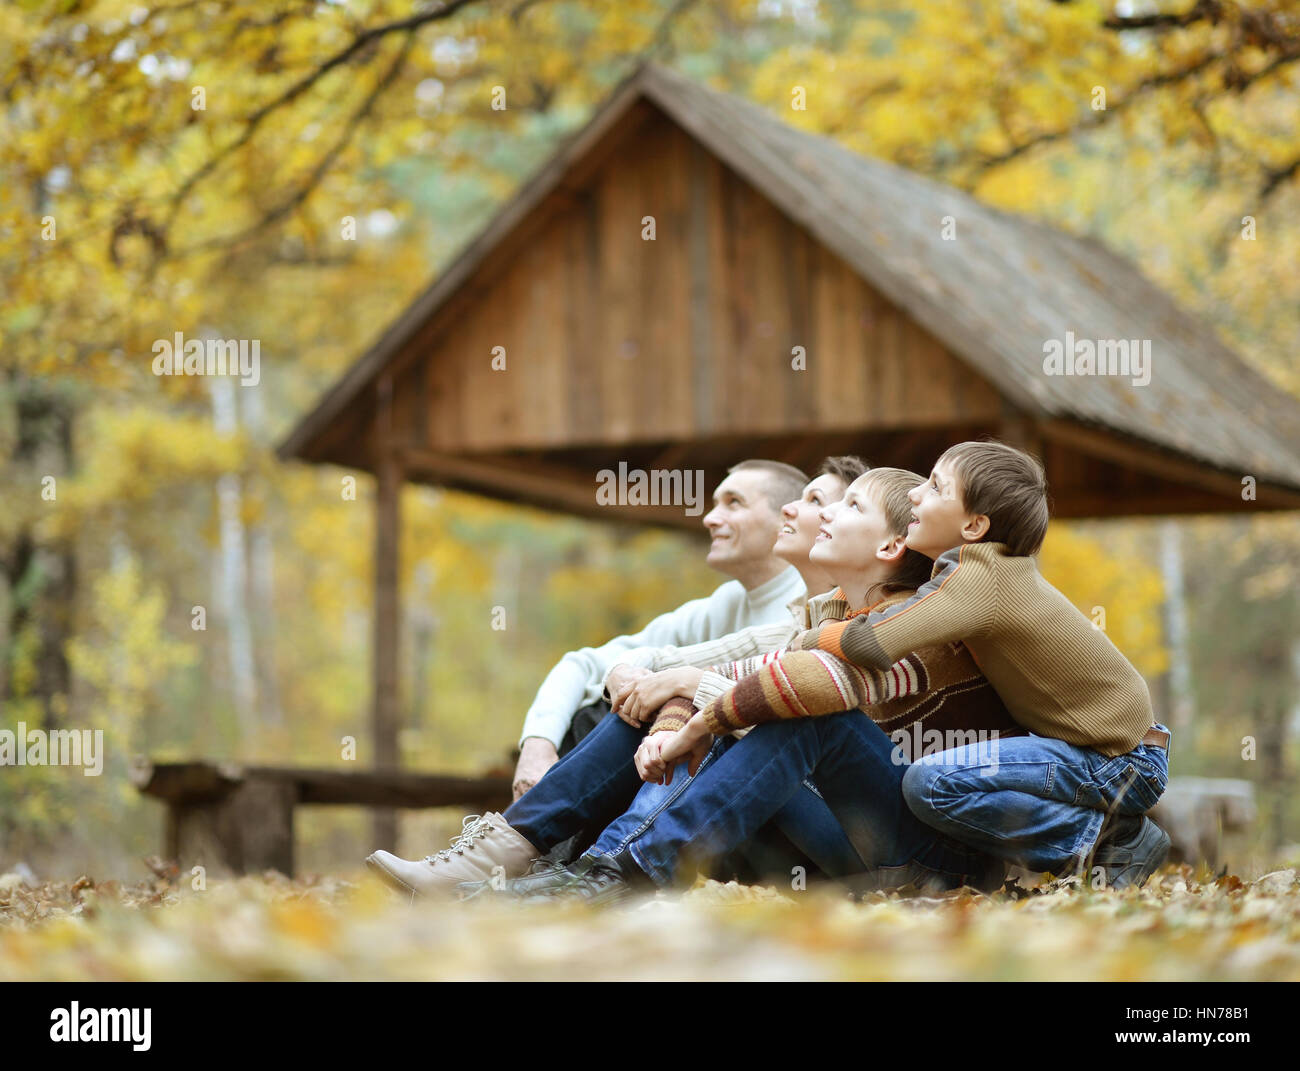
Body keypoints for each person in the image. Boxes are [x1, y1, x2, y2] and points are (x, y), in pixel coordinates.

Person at [459, 467, 1023, 904]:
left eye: (849, 505)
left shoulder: (920, 623)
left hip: (939, 859)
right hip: (860, 841)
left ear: (888, 548)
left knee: (803, 717)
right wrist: (682, 703)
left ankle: (619, 871)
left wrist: (698, 715)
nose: (819, 512)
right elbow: (743, 676)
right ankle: (561, 863)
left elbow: (806, 685)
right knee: (736, 706)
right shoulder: (828, 618)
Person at [365, 458, 867, 897]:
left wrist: (681, 699)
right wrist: (560, 727)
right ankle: (538, 866)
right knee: (622, 706)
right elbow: (653, 667)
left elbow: (769, 701)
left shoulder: (868, 622)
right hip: (755, 814)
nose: (711, 517)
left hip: (831, 840)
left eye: (734, 502)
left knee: (677, 713)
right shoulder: (793, 616)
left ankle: (568, 870)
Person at [509, 459, 808, 800]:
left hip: (767, 792)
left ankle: (542, 840)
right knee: (603, 711)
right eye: (713, 505)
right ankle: (536, 841)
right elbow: (582, 663)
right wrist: (537, 745)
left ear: (787, 518)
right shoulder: (722, 604)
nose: (710, 519)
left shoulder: (812, 603)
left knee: (655, 712)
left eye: (734, 503)